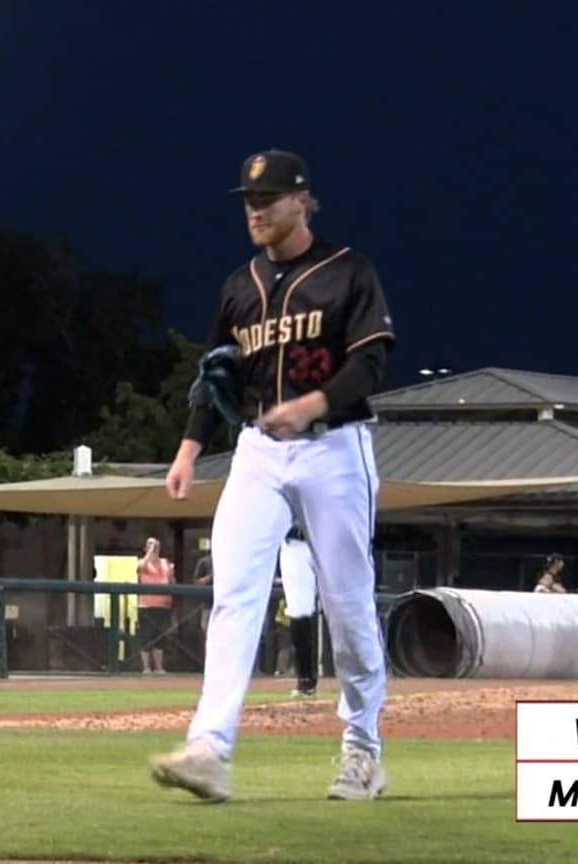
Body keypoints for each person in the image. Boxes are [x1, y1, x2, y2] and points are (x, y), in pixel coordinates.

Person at [149, 148, 395, 802]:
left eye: (270, 198)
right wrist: (188, 448)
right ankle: (209, 748)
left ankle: (363, 749)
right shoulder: (238, 287)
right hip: (257, 449)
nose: (256, 210)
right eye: (249, 201)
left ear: (303, 200)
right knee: (234, 593)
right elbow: (214, 374)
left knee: (346, 603)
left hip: (335, 448)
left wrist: (313, 404)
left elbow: (370, 365)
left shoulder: (348, 271)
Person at [277, 526, 321, 698]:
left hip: (329, 538)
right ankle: (305, 680)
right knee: (299, 610)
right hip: (294, 544)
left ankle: (363, 680)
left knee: (347, 605)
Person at [136, 537, 176, 674]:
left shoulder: (165, 563)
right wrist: (150, 552)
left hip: (163, 606)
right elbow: (140, 568)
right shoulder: (143, 562)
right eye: (150, 545)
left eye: (156, 545)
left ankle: (159, 667)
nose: (153, 548)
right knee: (146, 636)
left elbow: (172, 582)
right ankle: (146, 667)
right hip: (146, 606)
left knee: (160, 637)